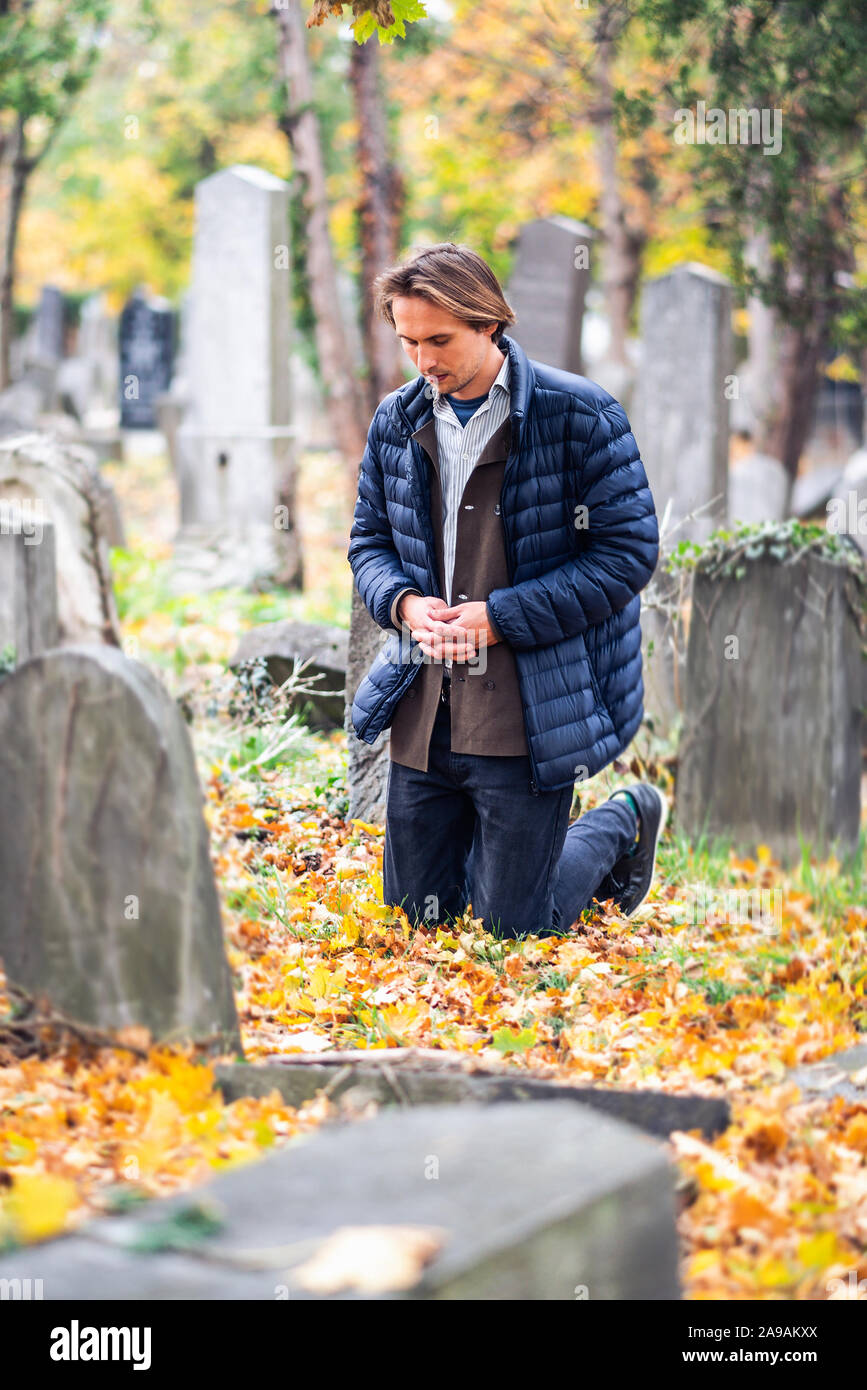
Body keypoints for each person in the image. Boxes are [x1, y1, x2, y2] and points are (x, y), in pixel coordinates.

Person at [347, 241, 666, 939]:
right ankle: (497, 866)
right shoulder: (396, 420)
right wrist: (401, 603)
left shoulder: (580, 415)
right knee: (416, 921)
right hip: (423, 701)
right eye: (408, 342)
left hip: (526, 709)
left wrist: (501, 617)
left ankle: (623, 818)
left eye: (439, 339)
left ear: (489, 323)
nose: (423, 360)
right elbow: (367, 544)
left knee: (513, 933)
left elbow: (627, 553)